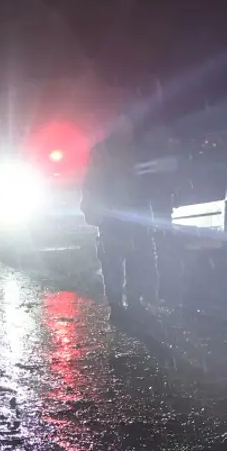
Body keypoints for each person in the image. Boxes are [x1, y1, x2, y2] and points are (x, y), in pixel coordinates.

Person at [81, 116, 156, 320]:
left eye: (129, 125)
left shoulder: (137, 151)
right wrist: (94, 208)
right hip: (112, 215)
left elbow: (147, 179)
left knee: (136, 259)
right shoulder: (102, 152)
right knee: (112, 262)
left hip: (135, 214)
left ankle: (134, 303)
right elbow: (92, 182)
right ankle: (116, 306)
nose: (127, 130)